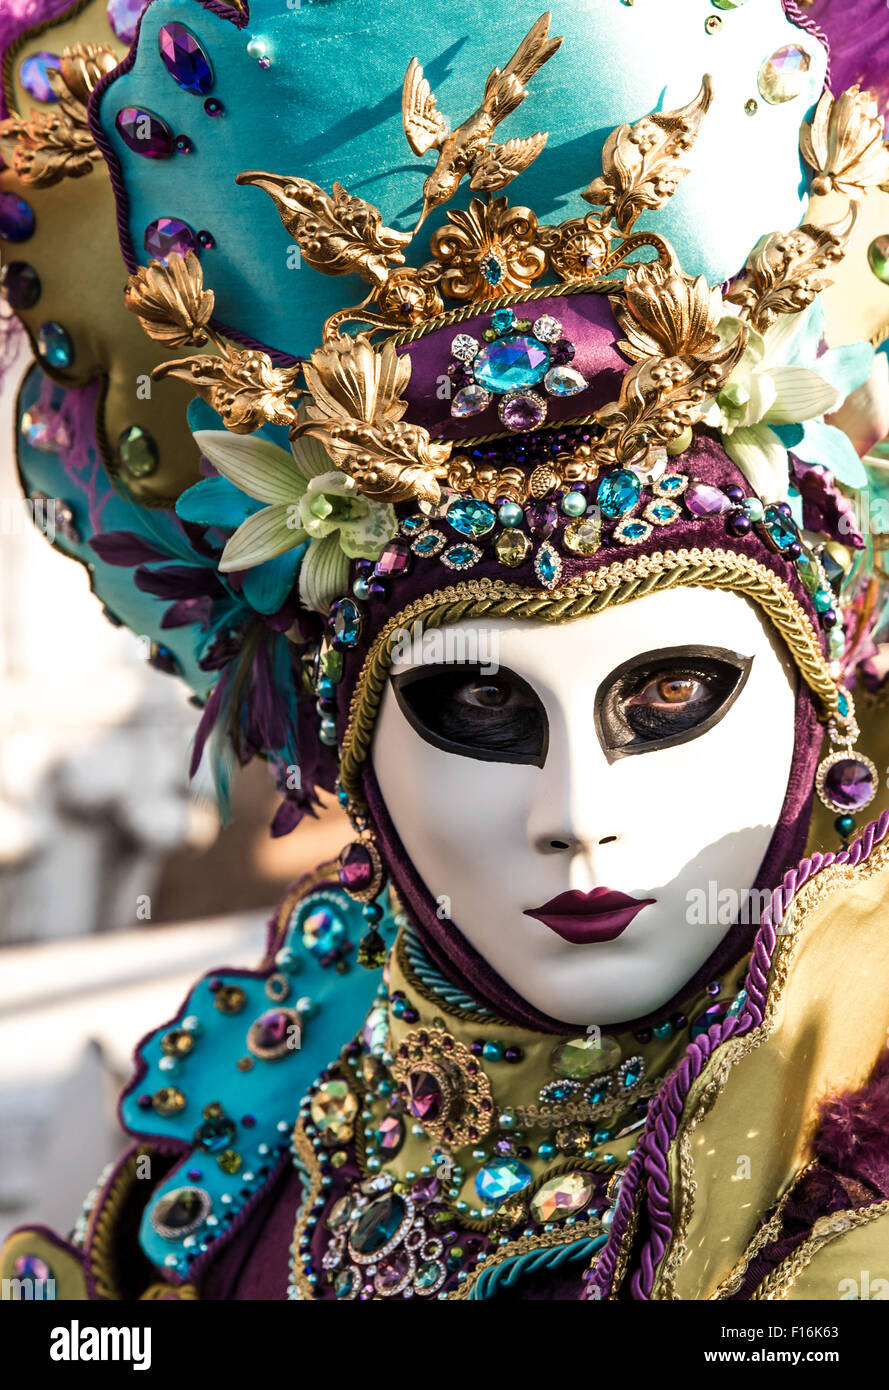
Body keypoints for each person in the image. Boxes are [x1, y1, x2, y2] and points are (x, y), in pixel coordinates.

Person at [3, 0, 889, 1301]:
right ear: (347, 739)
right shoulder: (254, 1125)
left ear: (815, 696)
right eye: (476, 704)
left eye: (673, 695)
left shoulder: (842, 1190)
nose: (578, 820)